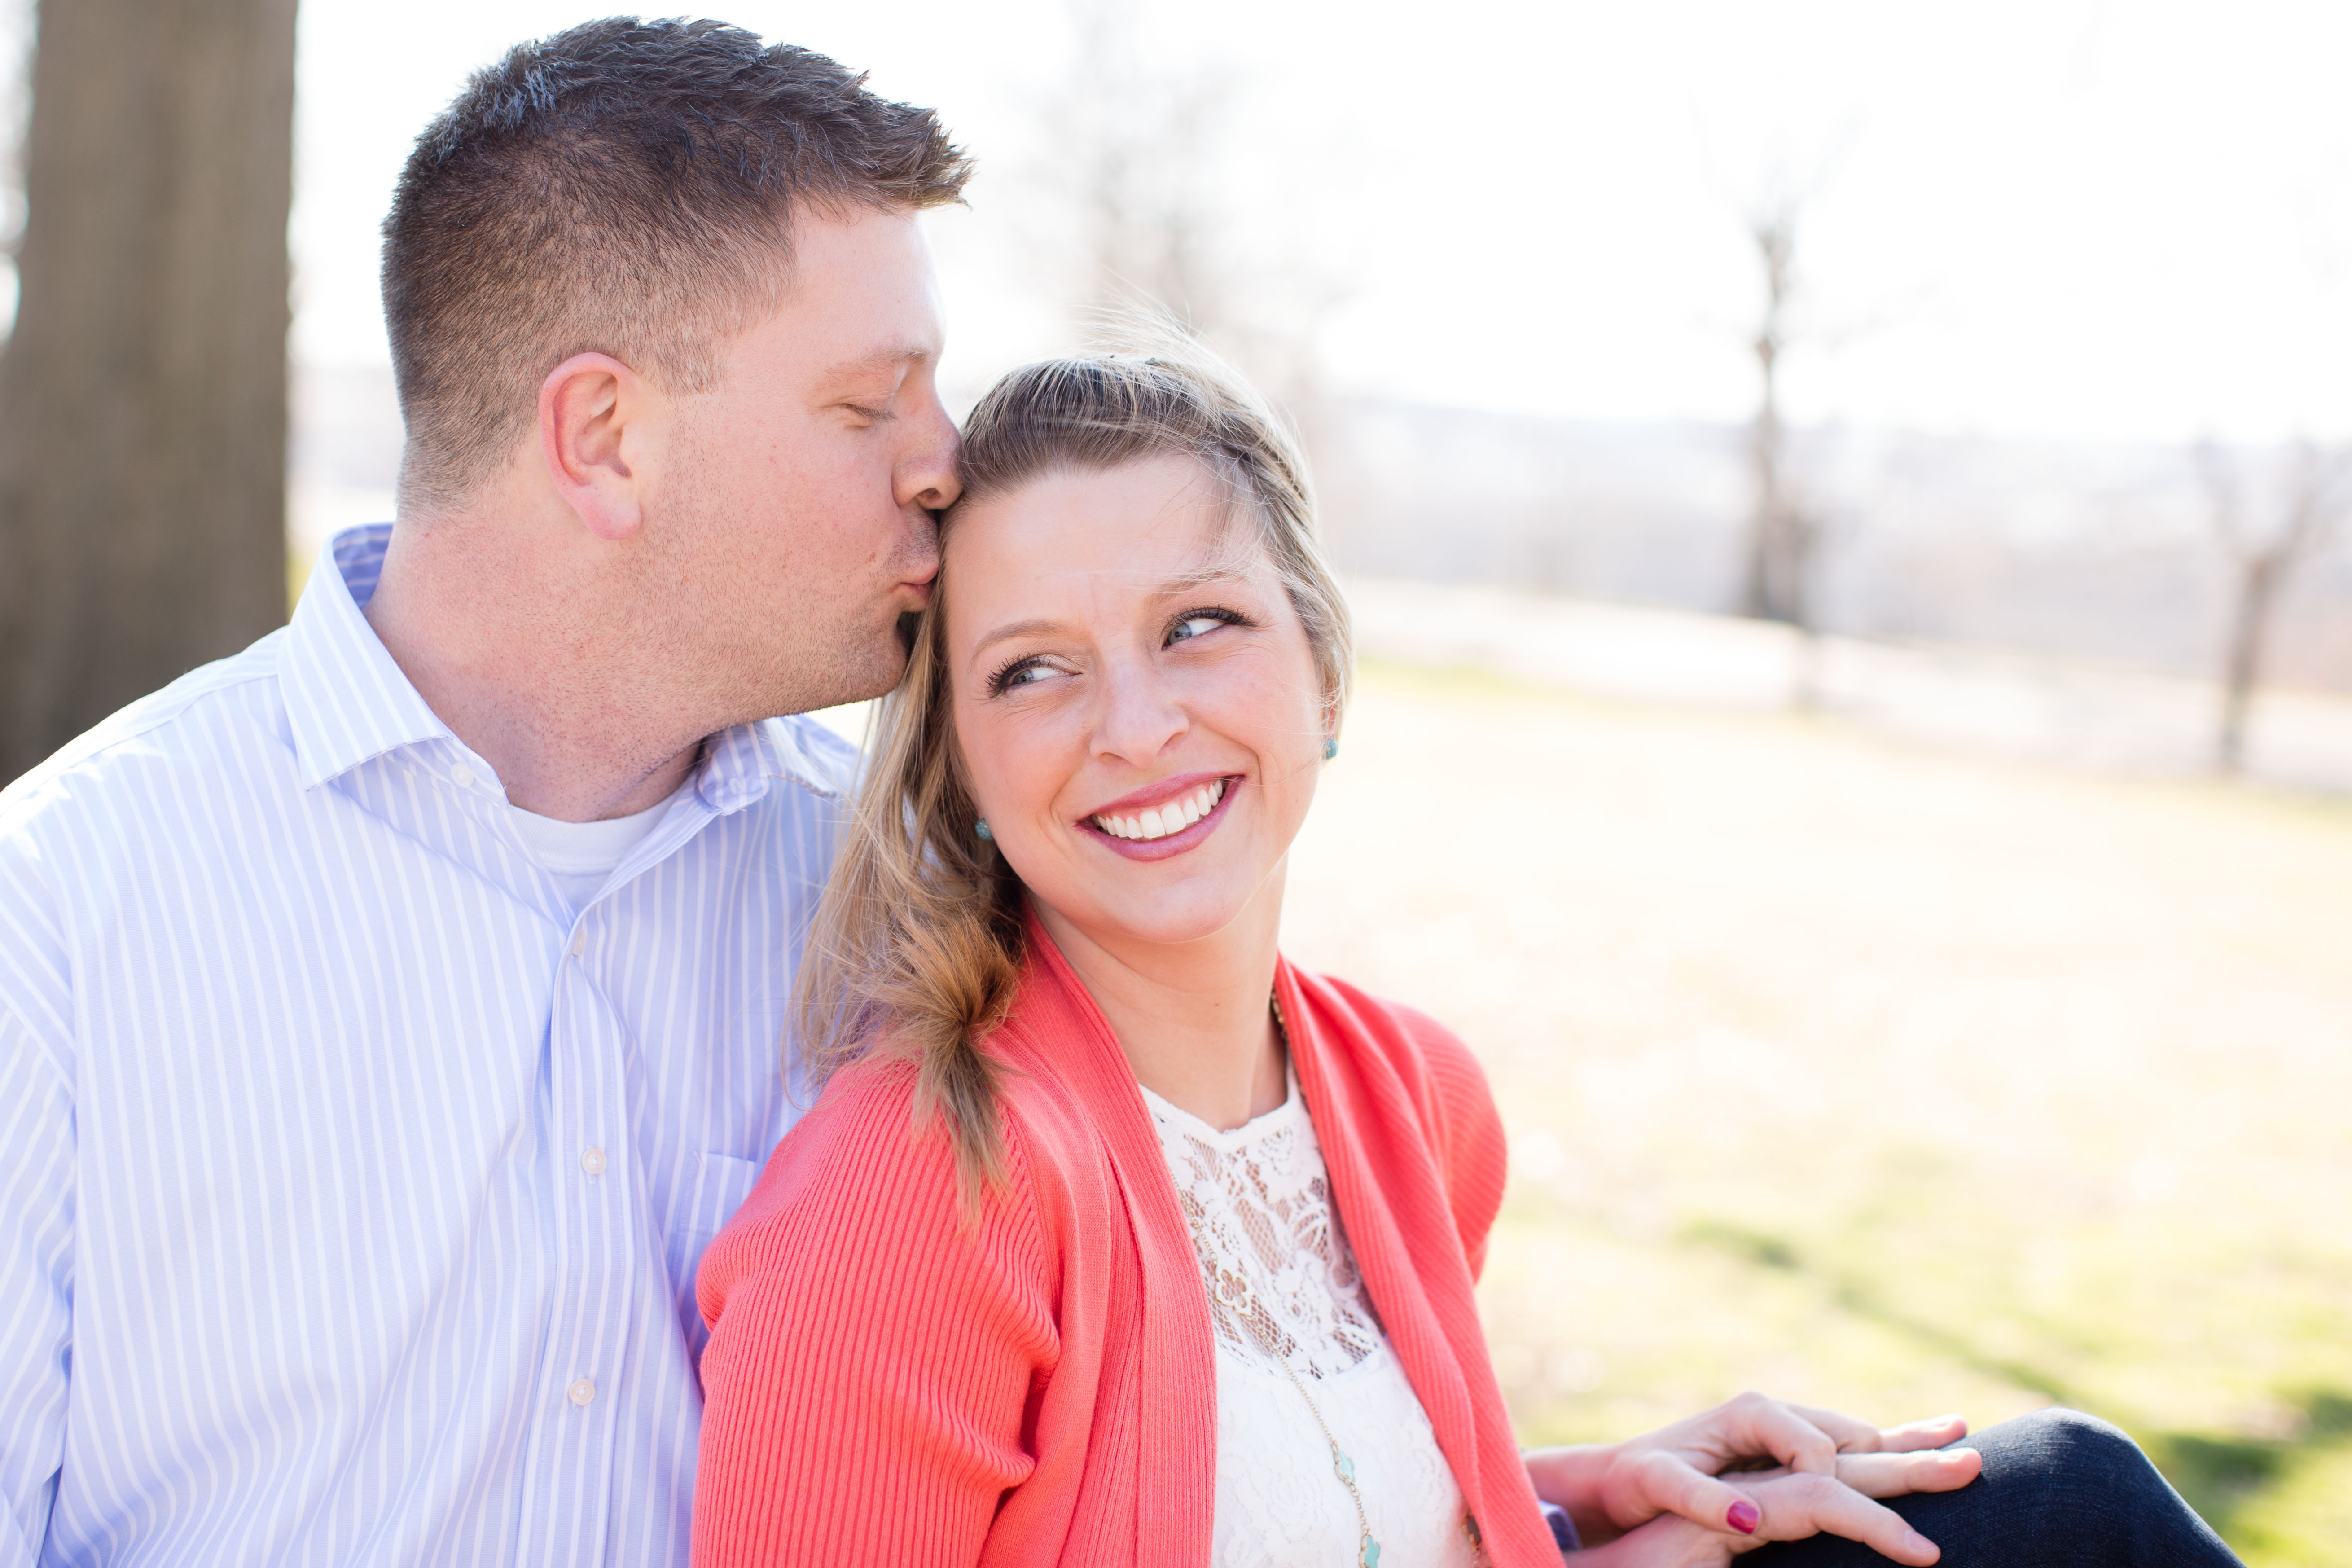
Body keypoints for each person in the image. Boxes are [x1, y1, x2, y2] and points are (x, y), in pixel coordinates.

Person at [689, 346, 2246, 1567]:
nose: (1139, 726)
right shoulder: (915, 1191)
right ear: (955, 760)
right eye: (1035, 669)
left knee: (2053, 1505)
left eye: (1199, 625)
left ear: (1326, 677)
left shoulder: (1412, 1098)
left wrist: (1563, 1522)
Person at [0, 20, 967, 1564]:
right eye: (871, 406)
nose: (946, 464)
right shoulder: (58, 912)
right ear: (604, 440)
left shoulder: (917, 906)